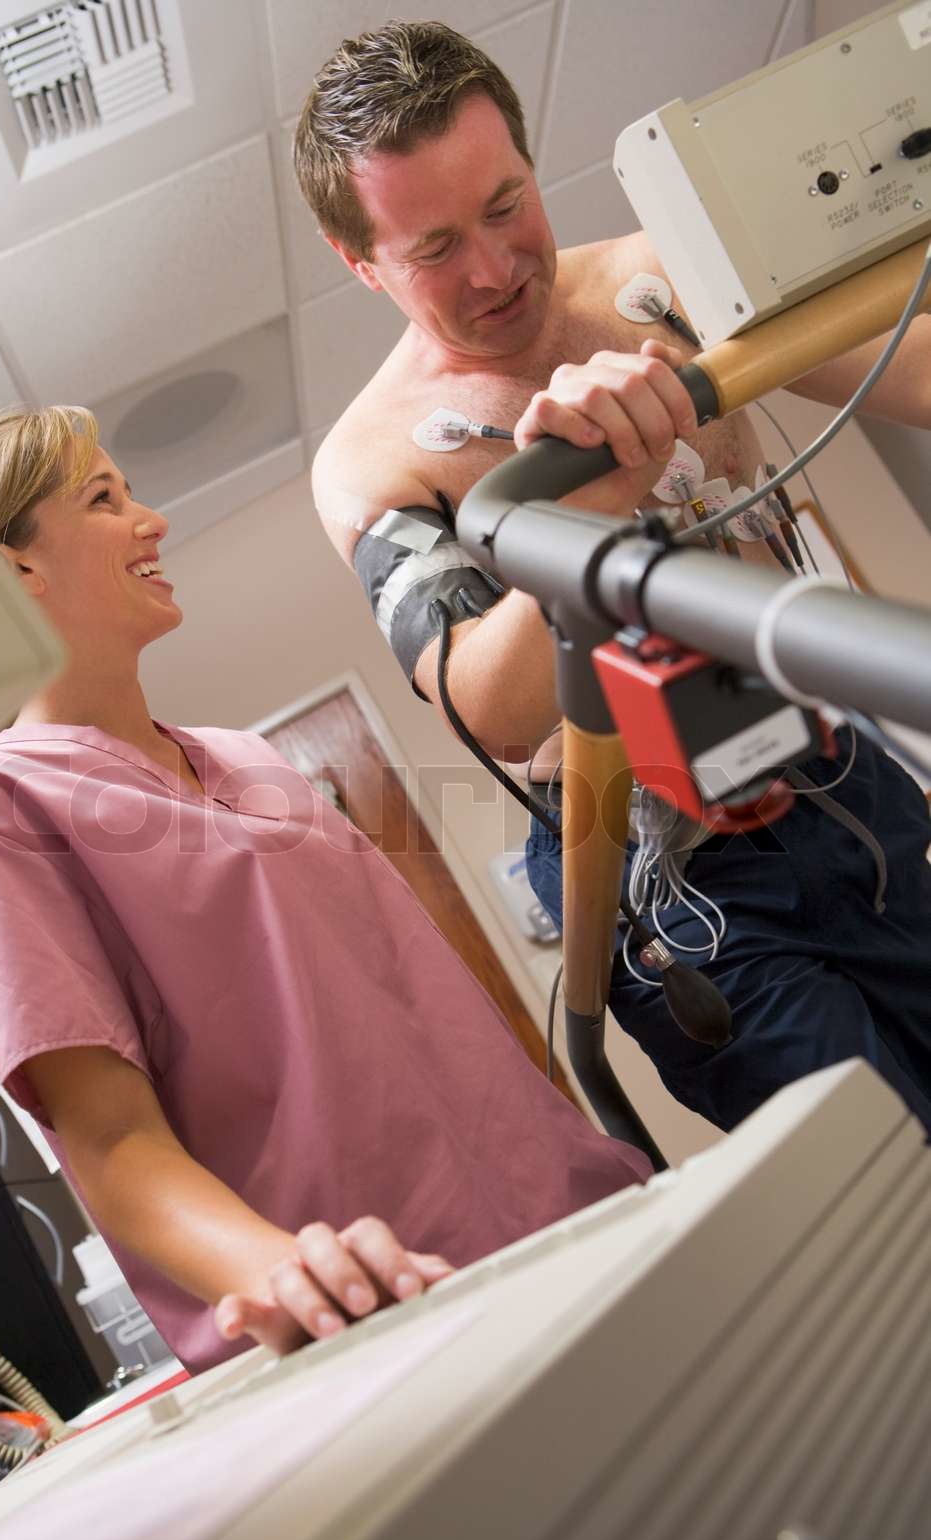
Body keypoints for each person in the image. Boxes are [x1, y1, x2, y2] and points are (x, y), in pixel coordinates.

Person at [0, 405, 650, 1376]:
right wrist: (290, 1273)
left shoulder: (243, 757)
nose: (151, 521)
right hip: (370, 1306)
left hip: (554, 1208)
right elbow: (111, 1140)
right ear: (10, 575)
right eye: (102, 501)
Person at [295, 21, 931, 1134]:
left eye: (504, 206)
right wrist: (576, 512)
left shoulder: (656, 276)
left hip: (827, 767)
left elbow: (906, 368)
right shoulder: (373, 456)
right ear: (362, 264)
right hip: (652, 856)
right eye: (434, 246)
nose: (493, 269)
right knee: (889, 1166)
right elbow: (486, 702)